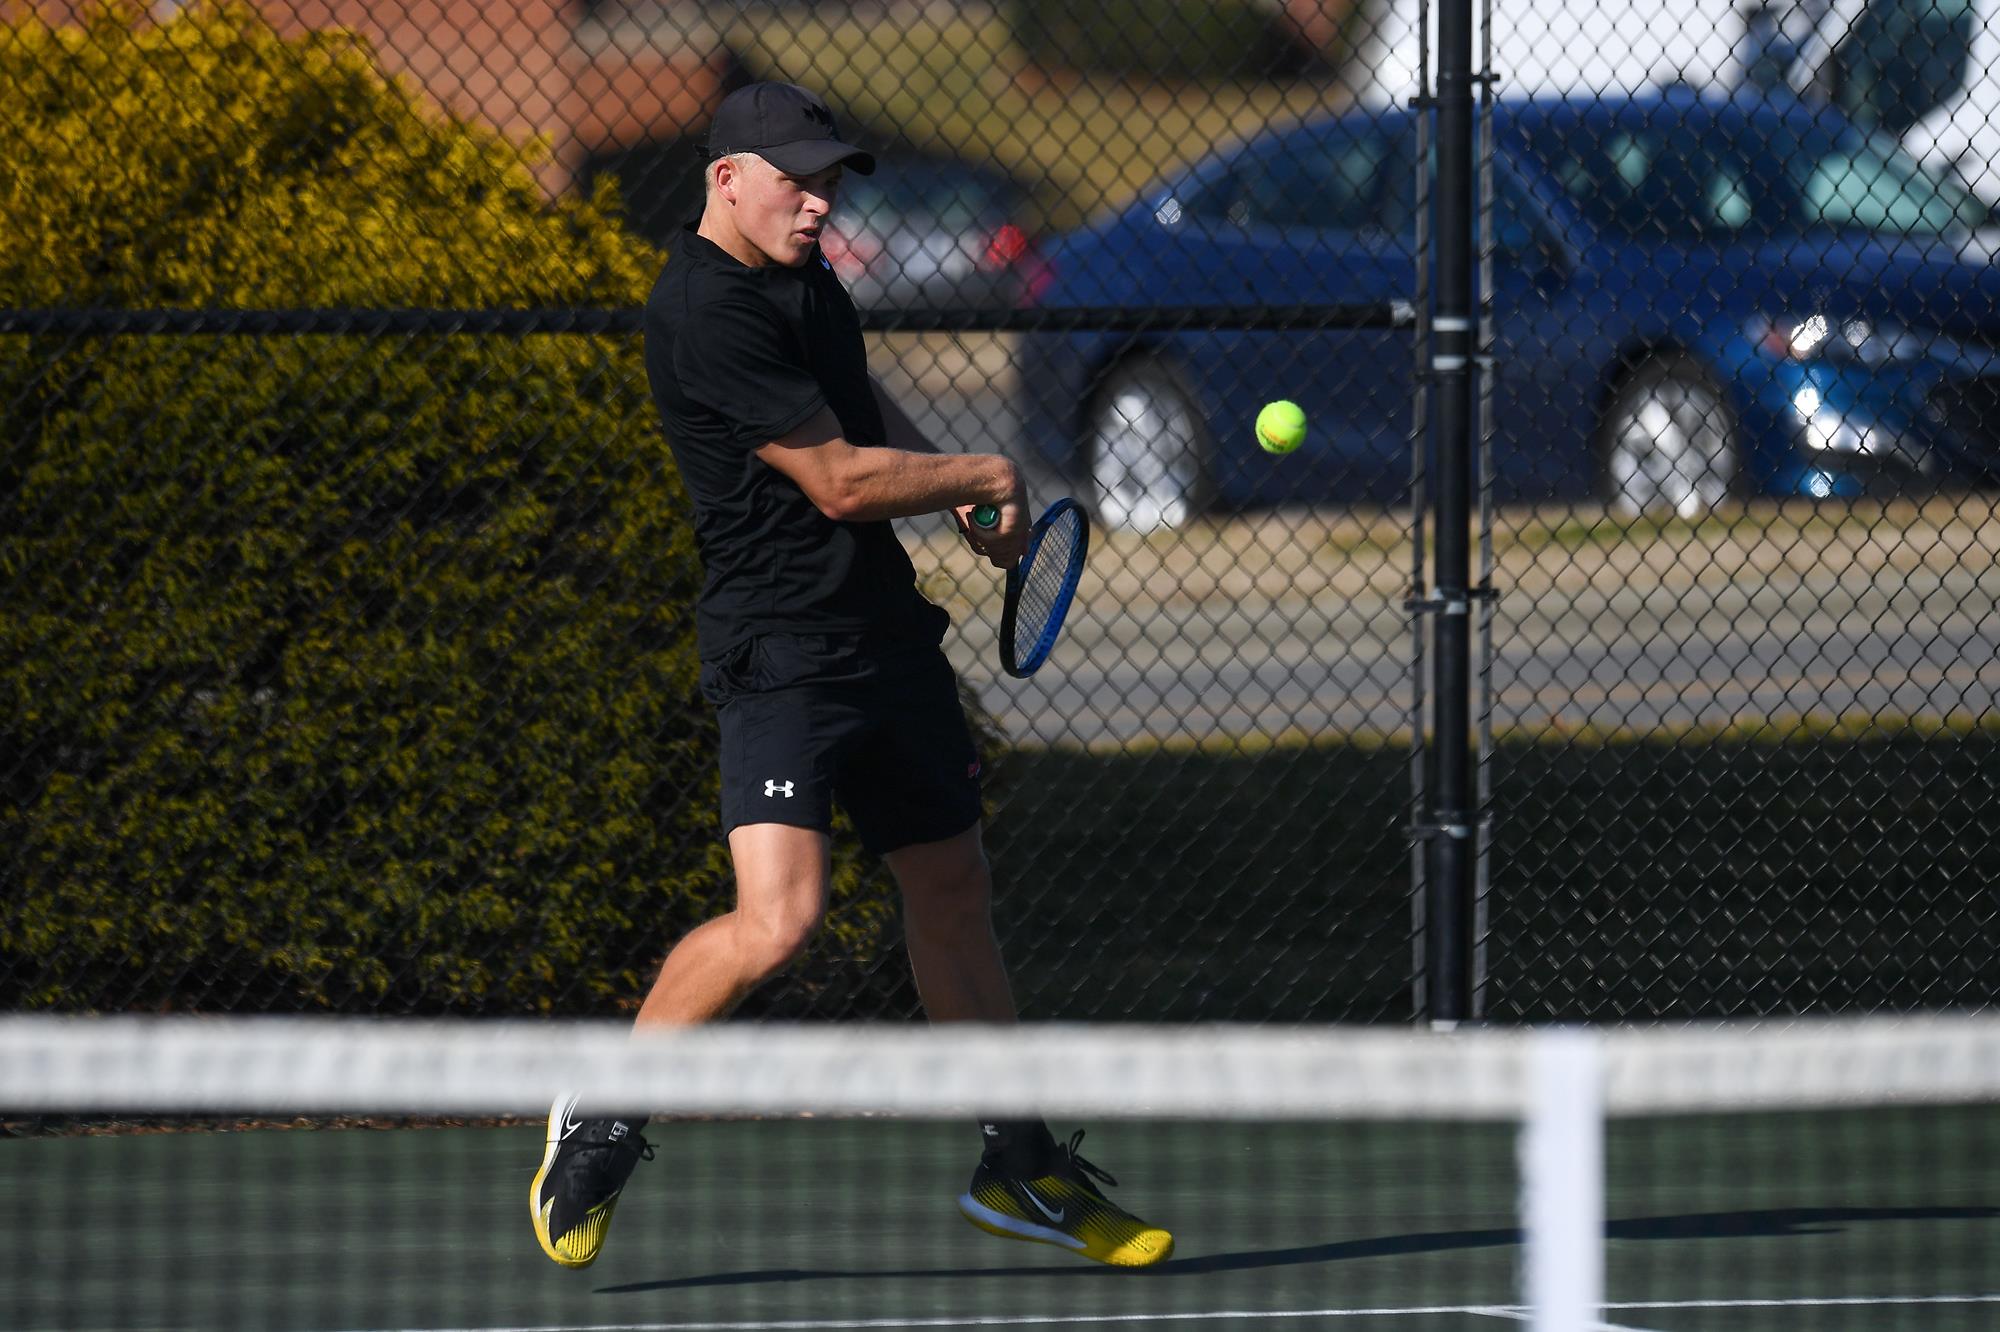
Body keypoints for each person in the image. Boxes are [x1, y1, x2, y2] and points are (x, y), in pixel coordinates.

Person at [529, 81, 1173, 1273]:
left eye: (830, 181)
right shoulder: (703, 310)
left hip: (882, 636)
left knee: (950, 888)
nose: (819, 202)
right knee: (779, 923)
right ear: (727, 176)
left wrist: (956, 494)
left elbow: (856, 417)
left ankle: (1017, 1158)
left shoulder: (807, 280)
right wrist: (984, 467)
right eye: (796, 179)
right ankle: (603, 1106)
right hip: (780, 655)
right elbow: (831, 480)